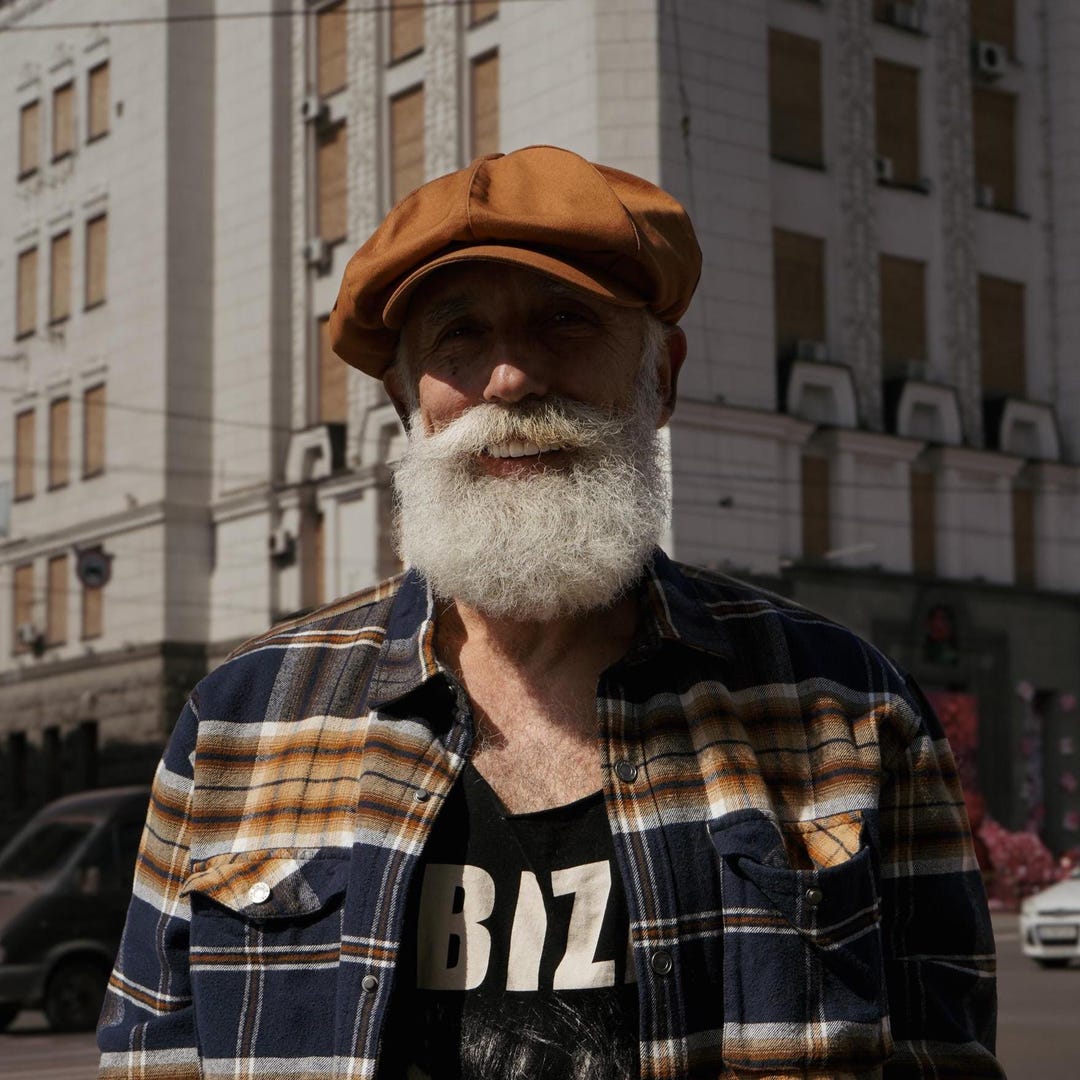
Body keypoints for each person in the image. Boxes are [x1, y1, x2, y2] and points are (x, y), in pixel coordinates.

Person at [98, 146, 1003, 1079]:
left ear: (664, 378)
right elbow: (151, 1060)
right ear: (406, 399)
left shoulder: (847, 706)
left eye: (566, 321)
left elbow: (945, 1057)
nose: (511, 380)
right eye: (458, 336)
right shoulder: (241, 722)